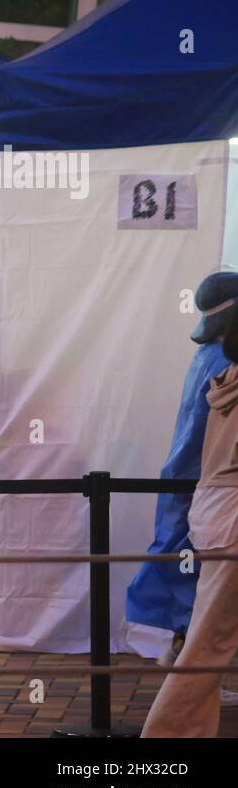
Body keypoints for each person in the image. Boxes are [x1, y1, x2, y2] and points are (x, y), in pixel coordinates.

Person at [127, 271, 238, 666]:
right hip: (209, 483)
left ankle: (183, 655)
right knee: (203, 583)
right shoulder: (225, 362)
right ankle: (190, 665)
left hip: (188, 480)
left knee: (186, 571)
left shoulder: (204, 356)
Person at [143, 310, 238, 737]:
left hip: (217, 516)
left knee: (208, 642)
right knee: (208, 646)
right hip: (232, 523)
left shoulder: (226, 378)